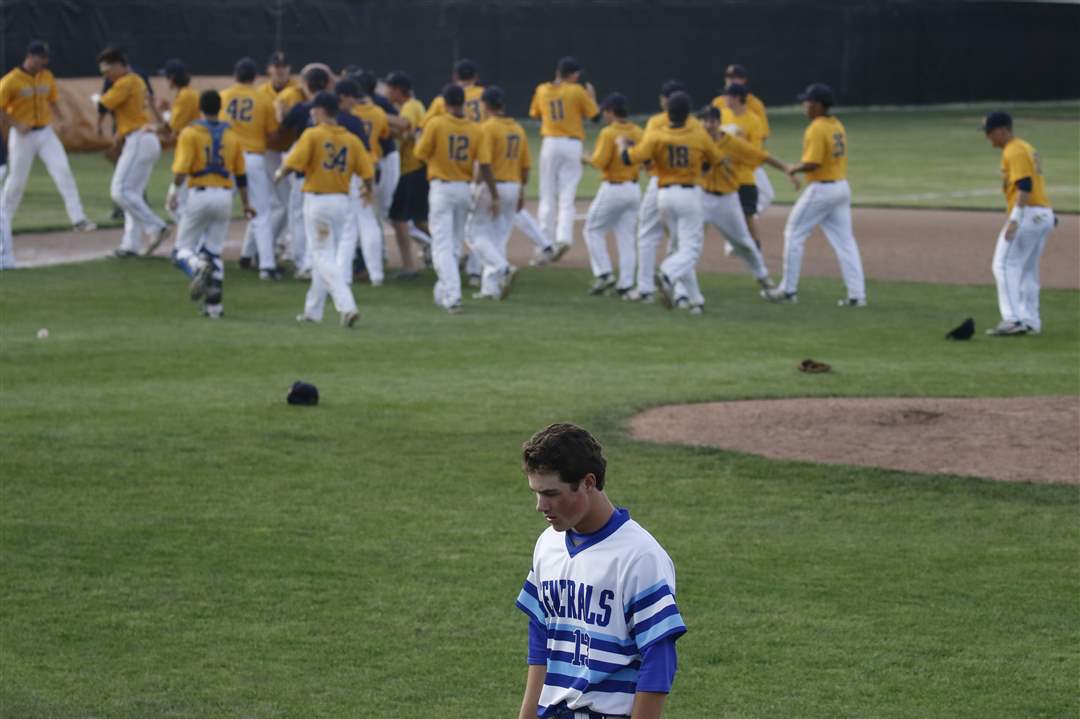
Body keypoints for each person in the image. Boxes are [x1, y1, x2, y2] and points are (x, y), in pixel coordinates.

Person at [515, 423, 686, 719]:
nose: (540, 506)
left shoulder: (640, 556)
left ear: (588, 482)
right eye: (536, 493)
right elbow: (540, 640)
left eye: (551, 493)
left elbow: (659, 660)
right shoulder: (547, 545)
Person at [619, 91, 729, 315]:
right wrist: (701, 167)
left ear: (667, 113)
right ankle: (667, 273)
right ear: (689, 113)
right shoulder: (698, 135)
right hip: (689, 194)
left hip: (664, 195)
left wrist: (622, 144)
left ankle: (696, 300)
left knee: (680, 247)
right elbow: (718, 159)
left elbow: (629, 158)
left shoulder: (657, 135)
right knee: (691, 248)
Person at [762, 83, 866, 306]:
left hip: (822, 190)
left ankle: (788, 291)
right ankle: (857, 296)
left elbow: (813, 163)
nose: (804, 105)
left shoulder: (817, 128)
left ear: (818, 105)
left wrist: (793, 168)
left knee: (793, 233)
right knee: (845, 242)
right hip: (841, 187)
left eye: (807, 101)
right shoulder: (836, 124)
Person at [275, 91, 373, 328]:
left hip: (318, 201)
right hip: (341, 202)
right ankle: (313, 311)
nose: (311, 112)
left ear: (321, 110)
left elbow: (292, 163)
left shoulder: (313, 134)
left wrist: (278, 174)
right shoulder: (351, 139)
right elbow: (367, 172)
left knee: (320, 255)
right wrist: (369, 191)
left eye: (314, 108)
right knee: (324, 255)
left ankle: (347, 305)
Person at [0, 40, 95, 269]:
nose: (45, 61)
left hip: (45, 132)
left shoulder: (46, 76)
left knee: (62, 170)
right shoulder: (11, 80)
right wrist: (14, 124)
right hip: (22, 136)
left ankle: (78, 218)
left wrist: (60, 119)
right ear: (30, 56)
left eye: (46, 58)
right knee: (16, 182)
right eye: (42, 57)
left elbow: (53, 100)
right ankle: (5, 224)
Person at [167, 90, 253, 319]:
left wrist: (174, 191)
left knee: (180, 251)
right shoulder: (232, 135)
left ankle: (196, 268)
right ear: (220, 107)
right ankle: (215, 307)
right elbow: (241, 175)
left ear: (200, 108)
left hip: (200, 193)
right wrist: (246, 204)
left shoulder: (191, 133)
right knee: (214, 253)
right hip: (225, 195)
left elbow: (181, 170)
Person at [697, 105, 795, 293]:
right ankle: (677, 287)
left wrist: (785, 167)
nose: (708, 125)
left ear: (719, 123)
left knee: (744, 243)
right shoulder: (698, 142)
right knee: (690, 242)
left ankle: (764, 279)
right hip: (702, 198)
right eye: (705, 120)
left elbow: (761, 155)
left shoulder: (733, 143)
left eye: (712, 121)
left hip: (727, 200)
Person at [981, 111, 1055, 336]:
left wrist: (1015, 220)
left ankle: (1013, 319)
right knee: (1027, 270)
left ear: (1002, 130)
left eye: (990, 132)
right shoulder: (1025, 147)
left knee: (1003, 264)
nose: (988, 138)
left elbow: (1025, 185)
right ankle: (1030, 320)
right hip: (1041, 214)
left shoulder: (1014, 150)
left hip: (1028, 214)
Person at [413, 84, 481, 314]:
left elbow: (420, 154)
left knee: (441, 245)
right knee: (454, 243)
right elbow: (480, 160)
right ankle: (444, 291)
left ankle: (453, 296)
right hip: (464, 187)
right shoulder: (474, 128)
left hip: (442, 187)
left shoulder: (437, 123)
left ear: (445, 102)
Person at [625, 80, 695, 303]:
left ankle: (645, 290)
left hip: (659, 183)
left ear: (665, 100)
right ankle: (683, 295)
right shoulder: (694, 125)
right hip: (689, 188)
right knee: (681, 241)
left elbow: (645, 155)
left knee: (647, 234)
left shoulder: (656, 122)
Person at [97, 46, 169, 258]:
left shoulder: (126, 81)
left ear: (119, 65)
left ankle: (156, 226)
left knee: (119, 191)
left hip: (139, 138)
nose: (106, 75)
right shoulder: (135, 80)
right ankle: (130, 245)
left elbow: (105, 102)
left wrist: (96, 99)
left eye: (107, 70)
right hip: (141, 138)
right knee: (132, 194)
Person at [529, 56, 600, 259]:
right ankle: (564, 237)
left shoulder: (542, 89)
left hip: (550, 143)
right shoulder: (576, 90)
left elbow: (534, 113)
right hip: (572, 144)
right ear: (571, 74)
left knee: (547, 195)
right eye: (576, 73)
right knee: (567, 196)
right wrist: (592, 97)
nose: (578, 76)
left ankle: (544, 244)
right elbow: (595, 117)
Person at [221, 57, 281, 279]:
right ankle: (267, 266)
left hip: (227, 157)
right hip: (254, 159)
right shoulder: (263, 99)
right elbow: (272, 133)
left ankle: (205, 256)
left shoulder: (223, 96)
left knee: (220, 208)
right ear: (255, 78)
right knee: (262, 213)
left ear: (235, 75)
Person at [466, 85, 526, 301]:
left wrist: (490, 193)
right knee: (497, 237)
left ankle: (503, 268)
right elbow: (526, 165)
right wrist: (522, 191)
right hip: (514, 184)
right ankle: (490, 288)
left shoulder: (487, 128)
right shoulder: (517, 128)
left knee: (473, 233)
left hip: (495, 185)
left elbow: (484, 164)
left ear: (486, 105)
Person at [239, 51, 298, 268]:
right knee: (280, 205)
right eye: (276, 66)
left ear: (289, 69)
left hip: (290, 150)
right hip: (267, 153)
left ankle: (249, 252)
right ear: (269, 70)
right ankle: (257, 251)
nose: (280, 69)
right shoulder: (261, 93)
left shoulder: (297, 91)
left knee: (267, 203)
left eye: (284, 66)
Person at [581, 93, 643, 297]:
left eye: (605, 111)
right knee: (626, 237)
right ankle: (626, 284)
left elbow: (599, 162)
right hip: (634, 189)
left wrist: (586, 158)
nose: (604, 116)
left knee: (592, 230)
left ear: (611, 112)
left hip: (614, 188)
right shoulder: (638, 131)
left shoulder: (608, 133)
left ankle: (604, 272)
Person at [384, 71, 429, 277]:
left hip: (414, 169)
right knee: (417, 219)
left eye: (389, 88)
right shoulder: (412, 106)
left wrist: (376, 115)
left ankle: (410, 265)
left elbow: (404, 124)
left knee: (399, 217)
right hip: (413, 169)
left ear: (397, 90)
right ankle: (445, 250)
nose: (386, 91)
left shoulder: (411, 106)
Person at [713, 64, 774, 214]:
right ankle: (743, 218)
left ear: (743, 80)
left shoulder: (754, 105)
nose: (730, 80)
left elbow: (761, 134)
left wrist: (755, 156)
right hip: (726, 159)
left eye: (734, 77)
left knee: (765, 195)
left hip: (748, 156)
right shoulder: (718, 103)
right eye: (728, 77)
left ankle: (744, 216)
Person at [718, 83, 767, 250]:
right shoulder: (722, 116)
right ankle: (735, 243)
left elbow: (756, 153)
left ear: (737, 98)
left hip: (744, 176)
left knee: (747, 214)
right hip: (723, 176)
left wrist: (738, 150)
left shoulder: (753, 121)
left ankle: (755, 247)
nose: (724, 99)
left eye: (727, 96)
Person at [156, 59, 199, 222]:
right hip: (195, 153)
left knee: (174, 204)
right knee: (184, 204)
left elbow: (170, 132)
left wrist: (151, 127)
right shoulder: (188, 94)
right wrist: (167, 110)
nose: (166, 80)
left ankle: (189, 242)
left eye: (167, 77)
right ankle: (191, 242)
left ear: (172, 78)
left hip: (190, 155)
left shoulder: (185, 96)